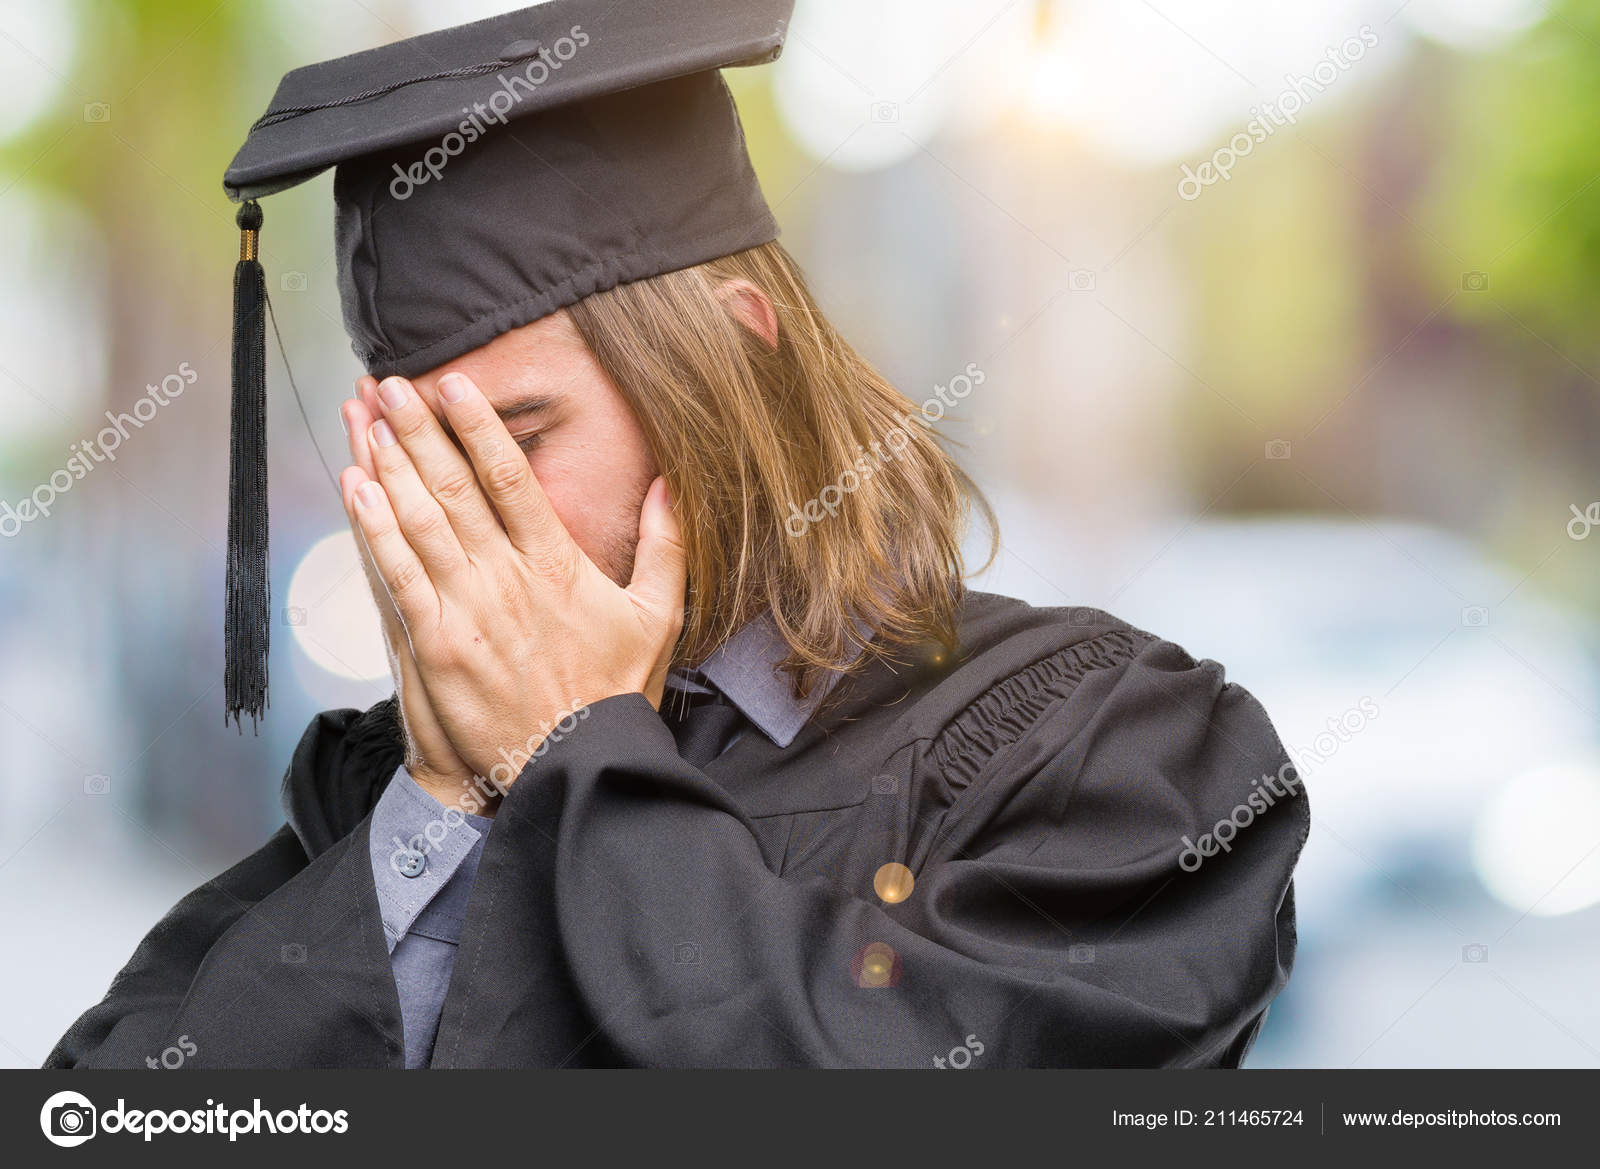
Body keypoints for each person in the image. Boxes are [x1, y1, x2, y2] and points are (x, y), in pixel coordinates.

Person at [48, 0, 1307, 1069]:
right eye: (426, 455)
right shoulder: (386, 791)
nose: (473, 522)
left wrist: (578, 756)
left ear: (734, 365)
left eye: (519, 439)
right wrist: (447, 804)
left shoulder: (1107, 749)